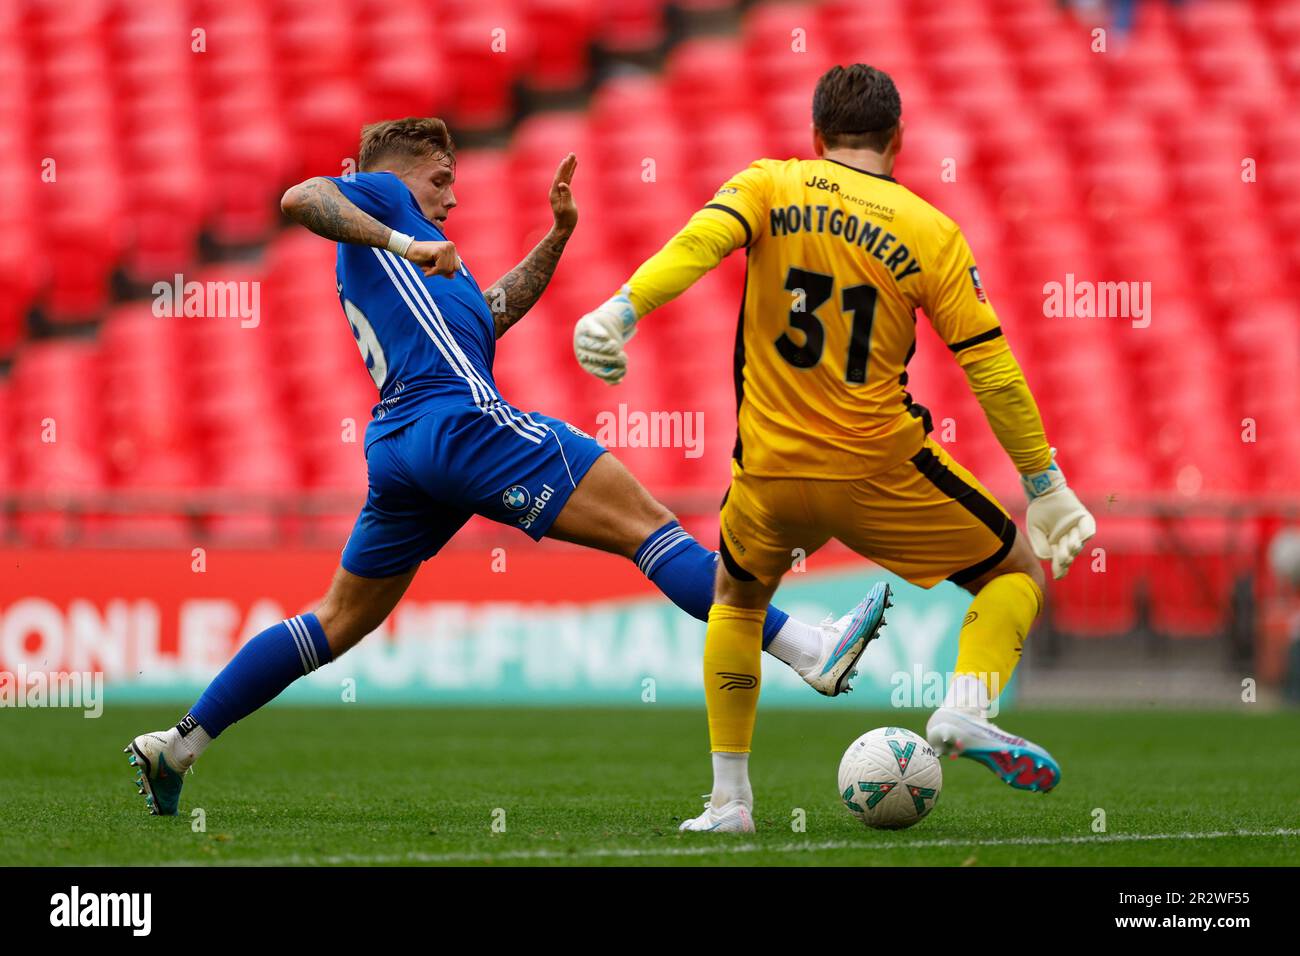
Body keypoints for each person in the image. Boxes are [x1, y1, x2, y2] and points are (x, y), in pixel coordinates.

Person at [124, 117, 886, 817]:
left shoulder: (431, 268)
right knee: (650, 529)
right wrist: (405, 239)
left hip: (401, 448)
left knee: (334, 621)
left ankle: (179, 746)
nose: (451, 197)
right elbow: (301, 196)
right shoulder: (386, 206)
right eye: (441, 180)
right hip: (455, 421)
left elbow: (491, 312)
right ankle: (809, 649)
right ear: (396, 174)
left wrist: (556, 237)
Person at [574, 65, 1096, 833]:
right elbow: (989, 367)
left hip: (769, 474)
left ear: (816, 137)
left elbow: (699, 244)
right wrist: (1043, 479)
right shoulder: (930, 231)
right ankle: (964, 708)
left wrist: (624, 309)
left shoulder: (771, 184)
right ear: (899, 141)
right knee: (1012, 570)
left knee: (737, 601)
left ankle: (730, 804)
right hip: (878, 468)